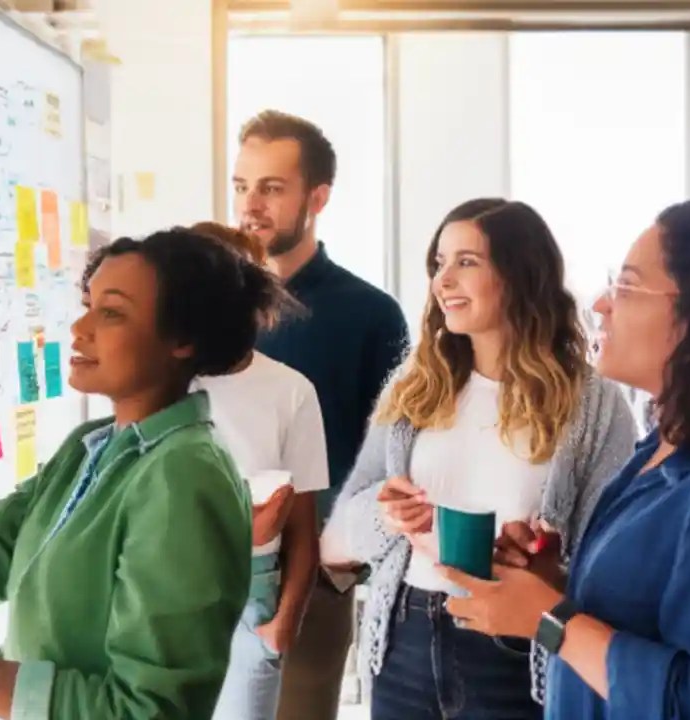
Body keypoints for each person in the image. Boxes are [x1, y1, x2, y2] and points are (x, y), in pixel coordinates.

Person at [0, 228, 296, 719]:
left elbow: (145, 712)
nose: (80, 328)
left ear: (182, 339)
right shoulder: (92, 448)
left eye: (111, 312)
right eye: (87, 304)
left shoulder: (184, 477)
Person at [440, 199, 690, 719]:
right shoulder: (659, 456)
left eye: (628, 287)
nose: (601, 305)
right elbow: (650, 627)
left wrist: (551, 619)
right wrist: (556, 583)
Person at [320, 198, 637, 719]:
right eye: (439, 264)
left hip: (517, 652)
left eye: (466, 262)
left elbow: (615, 566)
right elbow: (339, 534)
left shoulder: (594, 405)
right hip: (404, 641)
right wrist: (384, 516)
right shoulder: (413, 386)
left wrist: (546, 566)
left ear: (520, 275)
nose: (444, 280)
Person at [233, 108, 410, 720]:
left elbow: (394, 455)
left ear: (318, 196)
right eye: (242, 186)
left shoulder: (372, 315)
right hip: (201, 566)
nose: (251, 204)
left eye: (271, 188)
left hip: (311, 580)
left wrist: (338, 554)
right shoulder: (207, 306)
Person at [187, 221, 330, 720]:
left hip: (255, 602)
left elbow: (303, 528)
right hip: (168, 589)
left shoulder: (291, 391)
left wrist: (285, 620)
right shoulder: (162, 385)